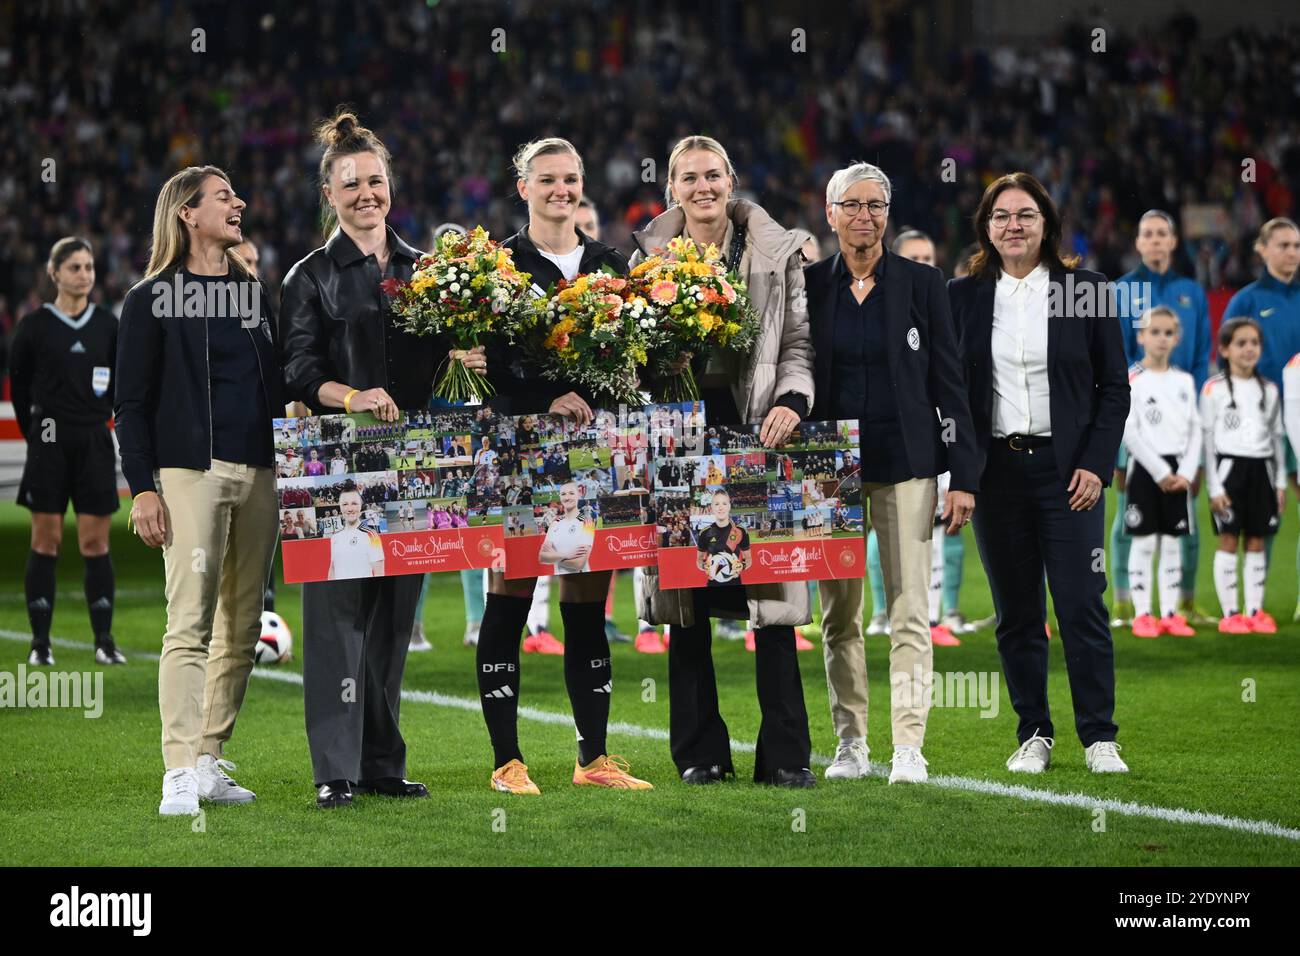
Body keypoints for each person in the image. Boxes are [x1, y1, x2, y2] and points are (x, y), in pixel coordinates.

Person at [280, 111, 460, 809]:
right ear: (330, 193)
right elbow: (297, 370)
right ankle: (334, 768)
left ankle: (382, 761)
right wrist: (351, 395)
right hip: (334, 466)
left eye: (375, 181)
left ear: (390, 187)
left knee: (392, 620)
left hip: (411, 467)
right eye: (350, 184)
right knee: (335, 620)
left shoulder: (426, 271)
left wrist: (463, 362)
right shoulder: (310, 275)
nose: (366, 194)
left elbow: (444, 366)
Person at [632, 134, 816, 787]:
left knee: (770, 598)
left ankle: (786, 756)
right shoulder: (646, 259)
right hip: (682, 441)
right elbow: (630, 360)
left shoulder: (778, 249)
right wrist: (662, 363)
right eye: (689, 177)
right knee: (688, 600)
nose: (703, 187)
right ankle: (700, 754)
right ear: (672, 189)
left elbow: (796, 340)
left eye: (713, 175)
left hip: (760, 434)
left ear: (730, 181)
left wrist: (793, 399)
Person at [476, 137, 651, 795]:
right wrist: (543, 397)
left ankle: (593, 760)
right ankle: (506, 761)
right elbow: (489, 370)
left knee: (587, 602)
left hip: (596, 457)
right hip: (522, 456)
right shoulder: (499, 267)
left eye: (571, 178)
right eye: (547, 179)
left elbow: (631, 359)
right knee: (511, 598)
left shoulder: (610, 263)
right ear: (523, 187)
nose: (561, 190)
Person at [948, 171, 1130, 775]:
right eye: (1001, 216)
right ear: (987, 228)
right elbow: (951, 395)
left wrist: (1095, 467)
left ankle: (1100, 737)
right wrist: (961, 475)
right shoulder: (963, 295)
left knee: (1082, 604)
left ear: (1047, 223)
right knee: (1018, 614)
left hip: (1068, 475)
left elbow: (1113, 390)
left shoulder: (1086, 289)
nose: (1014, 226)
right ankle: (1034, 733)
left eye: (1025, 214)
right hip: (996, 476)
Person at [116, 165, 282, 814]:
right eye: (223, 197)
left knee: (241, 626)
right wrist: (143, 489)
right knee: (189, 623)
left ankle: (210, 757)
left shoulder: (252, 293)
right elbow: (130, 404)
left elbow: (276, 380)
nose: (238, 203)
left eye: (237, 194)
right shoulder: (151, 298)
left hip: (261, 473)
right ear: (187, 212)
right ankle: (178, 768)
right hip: (192, 472)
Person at [806, 165, 979, 785]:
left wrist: (962, 473)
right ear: (830, 214)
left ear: (888, 213)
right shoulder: (808, 285)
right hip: (830, 472)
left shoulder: (923, 283)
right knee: (839, 617)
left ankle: (908, 744)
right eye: (850, 205)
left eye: (875, 205)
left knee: (909, 610)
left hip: (910, 464)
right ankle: (850, 742)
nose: (863, 216)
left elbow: (950, 382)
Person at [11, 237, 124, 667]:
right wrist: (38, 434)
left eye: (89, 267)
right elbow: (19, 387)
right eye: (74, 267)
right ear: (54, 273)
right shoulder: (34, 326)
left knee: (95, 543)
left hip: (94, 439)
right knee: (47, 541)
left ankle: (105, 641)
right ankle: (41, 643)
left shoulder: (108, 326)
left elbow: (120, 387)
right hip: (50, 444)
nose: (84, 275)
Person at [1110, 210, 1214, 628]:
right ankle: (1124, 603)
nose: (1155, 241)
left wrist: (1200, 436)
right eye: (1147, 234)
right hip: (1134, 422)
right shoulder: (1119, 291)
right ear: (1137, 243)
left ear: (1173, 242)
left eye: (1162, 234)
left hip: (1182, 421)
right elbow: (1112, 362)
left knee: (1184, 514)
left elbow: (1204, 359)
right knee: (1126, 514)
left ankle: (1183, 603)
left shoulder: (1191, 292)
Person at [1221, 219, 1300, 621]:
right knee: (1259, 511)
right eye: (1284, 245)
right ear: (1263, 250)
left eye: (1297, 246)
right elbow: (1225, 360)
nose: (1292, 253)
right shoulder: (1246, 302)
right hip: (1260, 420)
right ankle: (1255, 604)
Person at [1201, 318, 1287, 633]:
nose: (1249, 349)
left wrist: (1279, 483)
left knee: (1256, 540)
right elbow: (1207, 442)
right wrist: (1214, 487)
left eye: (1254, 343)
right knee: (1228, 538)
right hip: (1229, 470)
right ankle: (1230, 613)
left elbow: (1277, 439)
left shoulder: (1270, 390)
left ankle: (1254, 610)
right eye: (1241, 343)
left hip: (1261, 470)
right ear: (1224, 349)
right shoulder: (1214, 389)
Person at [1122, 307, 1201, 637]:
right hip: (1144, 470)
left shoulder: (1184, 381)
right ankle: (1143, 614)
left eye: (1168, 333)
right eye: (1154, 332)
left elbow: (1196, 428)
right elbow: (1128, 430)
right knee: (1144, 543)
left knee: (1172, 544)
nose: (1161, 338)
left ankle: (1169, 613)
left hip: (1178, 472)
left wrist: (1185, 471)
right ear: (1141, 337)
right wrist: (1159, 471)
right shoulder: (1132, 379)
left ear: (1177, 338)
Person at [327, 485, 384, 579]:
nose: (349, 509)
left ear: (361, 505)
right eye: (345, 504)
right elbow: (333, 568)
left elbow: (379, 574)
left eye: (354, 503)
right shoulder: (335, 537)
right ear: (340, 506)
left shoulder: (372, 536)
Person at [538, 481, 595, 573]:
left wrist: (554, 556)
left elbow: (579, 563)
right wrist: (568, 554)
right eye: (563, 494)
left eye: (571, 493)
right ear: (560, 497)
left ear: (578, 494)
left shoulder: (587, 523)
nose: (567, 498)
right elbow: (542, 557)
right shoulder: (554, 523)